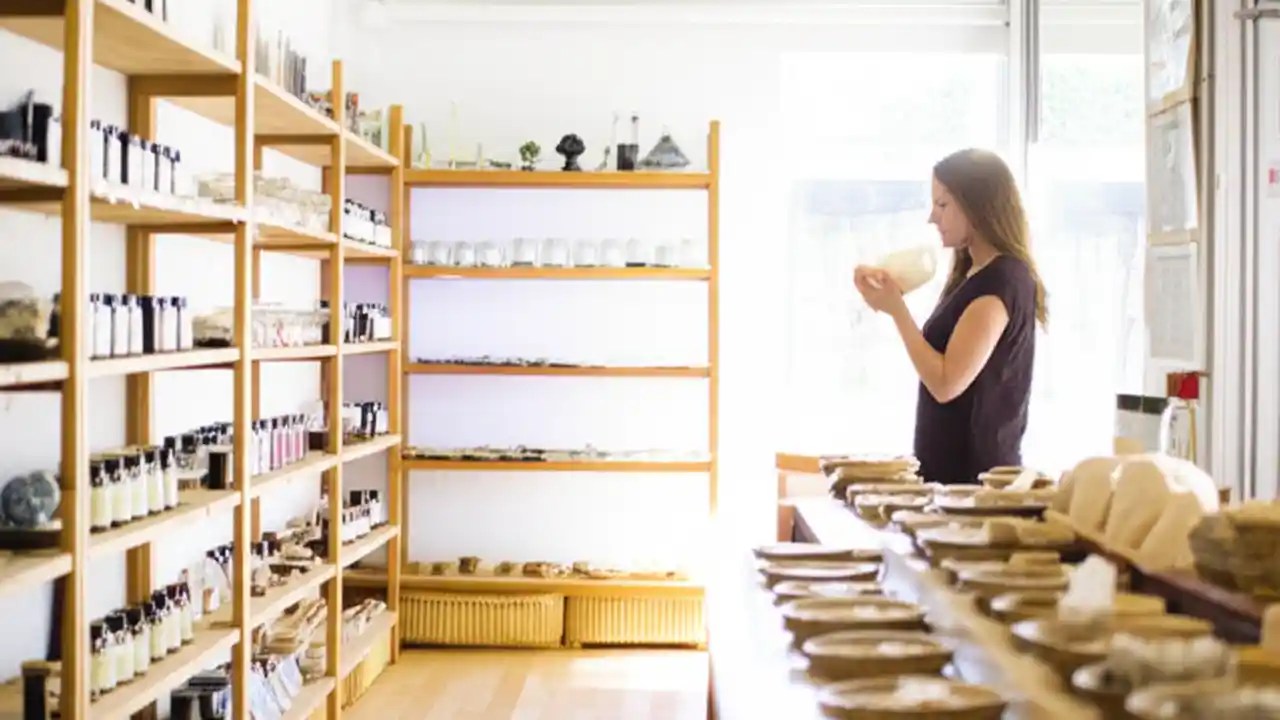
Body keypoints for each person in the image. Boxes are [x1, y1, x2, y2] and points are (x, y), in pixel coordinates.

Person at [853, 148, 1048, 485]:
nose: (933, 217)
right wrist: (886, 291)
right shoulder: (972, 274)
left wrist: (897, 311)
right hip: (950, 480)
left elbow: (946, 383)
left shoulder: (1000, 282)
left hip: (973, 485)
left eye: (942, 205)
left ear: (977, 204)